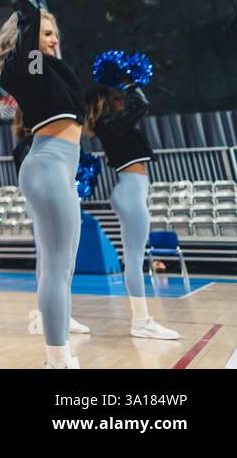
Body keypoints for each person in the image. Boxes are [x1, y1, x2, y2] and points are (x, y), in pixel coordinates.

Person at [0, 0, 84, 368]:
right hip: (47, 166)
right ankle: (57, 360)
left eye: (55, 33)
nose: (52, 39)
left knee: (61, 268)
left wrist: (39, 4)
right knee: (57, 267)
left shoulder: (53, 70)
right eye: (46, 33)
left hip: (60, 169)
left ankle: (57, 355)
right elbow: (28, 32)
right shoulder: (22, 67)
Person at [84, 84, 179, 340]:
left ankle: (141, 320)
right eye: (116, 98)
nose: (121, 101)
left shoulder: (113, 123)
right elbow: (142, 106)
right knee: (135, 260)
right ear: (104, 103)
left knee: (135, 259)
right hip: (130, 191)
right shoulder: (108, 123)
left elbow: (138, 108)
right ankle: (141, 321)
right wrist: (132, 85)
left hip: (132, 190)